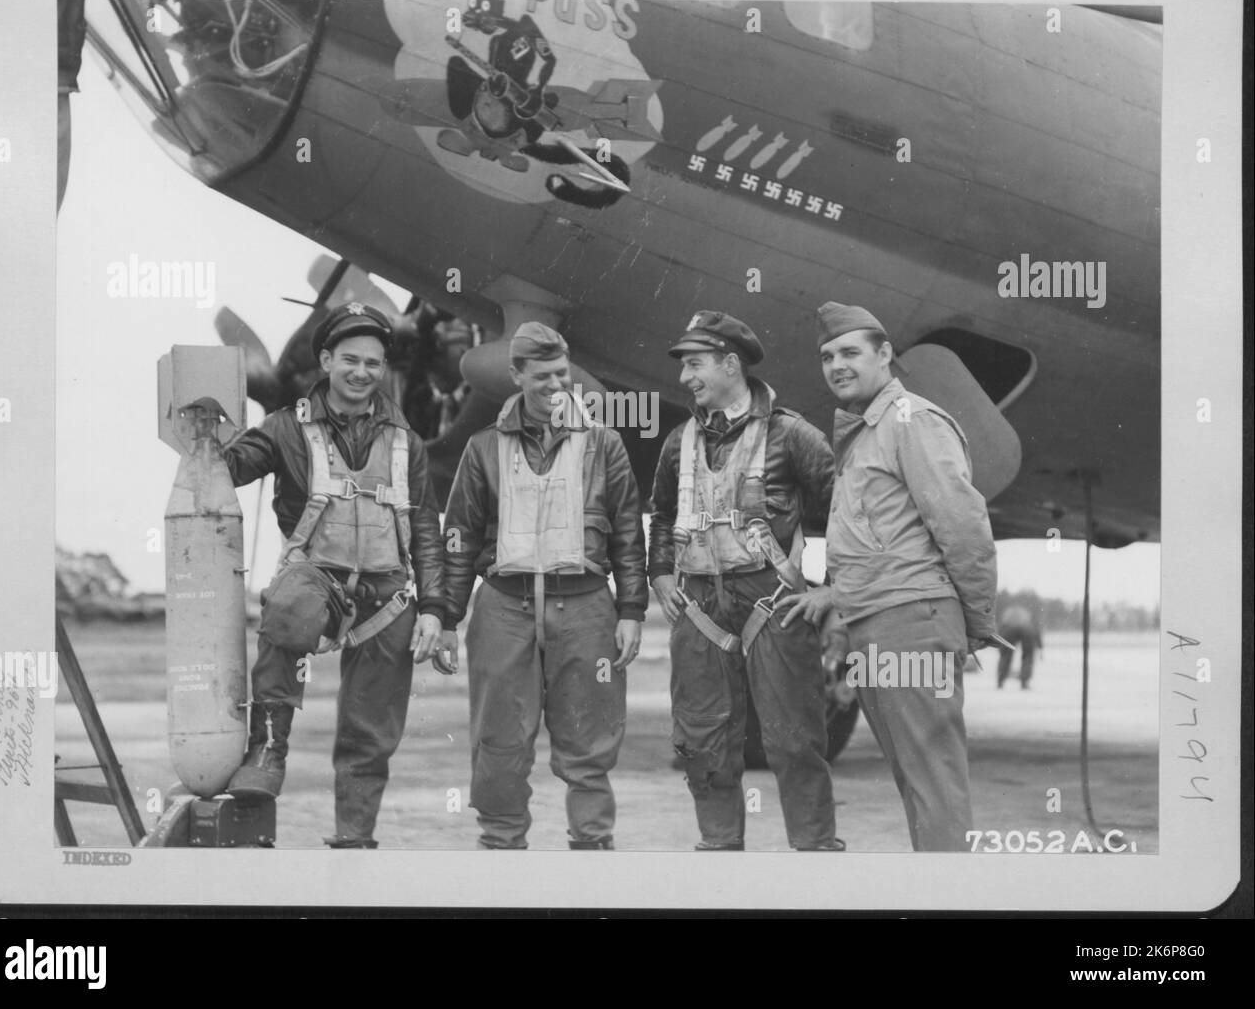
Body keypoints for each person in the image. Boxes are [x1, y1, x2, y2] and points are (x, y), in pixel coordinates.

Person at [221, 302, 448, 849]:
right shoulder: (284, 428)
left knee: (370, 726)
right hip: (316, 576)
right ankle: (268, 749)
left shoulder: (406, 443)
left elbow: (425, 530)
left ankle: (354, 833)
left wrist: (437, 608)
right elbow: (230, 466)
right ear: (326, 360)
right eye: (350, 359)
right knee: (289, 607)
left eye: (373, 362)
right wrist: (209, 429)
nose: (362, 372)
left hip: (388, 594)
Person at [784, 302, 998, 852]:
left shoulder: (912, 421)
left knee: (933, 781)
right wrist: (835, 591)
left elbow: (961, 523)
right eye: (828, 356)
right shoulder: (864, 433)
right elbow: (879, 539)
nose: (837, 365)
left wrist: (975, 619)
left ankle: (949, 902)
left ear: (885, 356)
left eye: (851, 352)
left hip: (911, 623)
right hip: (874, 622)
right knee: (915, 778)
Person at [440, 322, 646, 850]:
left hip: (586, 606)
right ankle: (502, 844)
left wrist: (631, 612)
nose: (556, 384)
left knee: (590, 739)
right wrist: (444, 617)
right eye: (543, 375)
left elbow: (627, 534)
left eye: (563, 374)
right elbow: (459, 536)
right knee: (499, 739)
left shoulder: (605, 445)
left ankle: (592, 845)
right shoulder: (483, 447)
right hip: (504, 606)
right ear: (516, 376)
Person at [650, 311, 844, 852]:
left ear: (731, 364)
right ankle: (720, 856)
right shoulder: (678, 443)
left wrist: (833, 588)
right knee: (701, 741)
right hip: (699, 610)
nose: (685, 377)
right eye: (684, 366)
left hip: (774, 603)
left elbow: (845, 514)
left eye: (695, 364)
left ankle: (815, 857)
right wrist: (660, 572)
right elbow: (663, 514)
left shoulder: (792, 435)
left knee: (794, 739)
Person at [996, 602, 1042, 689]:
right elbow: (1036, 631)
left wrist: (999, 646)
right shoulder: (1025, 616)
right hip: (1026, 629)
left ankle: (1000, 681)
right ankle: (1024, 682)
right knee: (1028, 656)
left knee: (1005, 656)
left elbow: (1001, 630)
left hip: (1008, 630)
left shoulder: (1008, 614)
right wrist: (1040, 646)